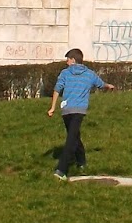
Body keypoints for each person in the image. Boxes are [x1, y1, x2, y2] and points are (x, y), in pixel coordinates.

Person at [47, 48, 115, 180]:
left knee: (71, 139)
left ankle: (61, 170)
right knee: (74, 137)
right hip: (76, 110)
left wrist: (53, 107)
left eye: (67, 60)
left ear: (73, 60)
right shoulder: (89, 74)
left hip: (68, 110)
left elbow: (57, 89)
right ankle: (81, 162)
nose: (66, 62)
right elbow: (101, 84)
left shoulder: (65, 73)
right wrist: (108, 86)